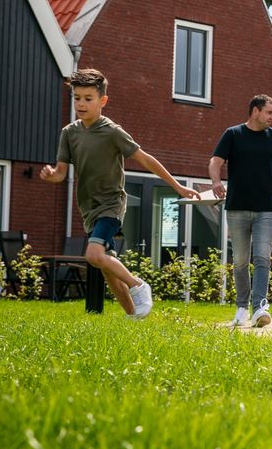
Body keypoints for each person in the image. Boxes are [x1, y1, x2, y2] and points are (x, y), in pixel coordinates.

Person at [39, 69, 197, 318]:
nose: (81, 104)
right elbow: (61, 173)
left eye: (88, 98)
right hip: (88, 208)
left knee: (94, 254)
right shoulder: (69, 133)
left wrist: (177, 186)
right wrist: (51, 175)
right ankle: (134, 316)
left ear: (102, 101)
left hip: (111, 204)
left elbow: (145, 159)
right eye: (77, 97)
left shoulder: (112, 131)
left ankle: (139, 286)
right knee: (106, 266)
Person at [209, 94, 272, 329]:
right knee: (241, 260)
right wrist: (215, 181)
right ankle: (242, 307)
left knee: (263, 257)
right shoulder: (233, 134)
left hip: (266, 209)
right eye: (269, 112)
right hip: (237, 208)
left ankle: (260, 307)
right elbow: (215, 161)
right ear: (255, 111)